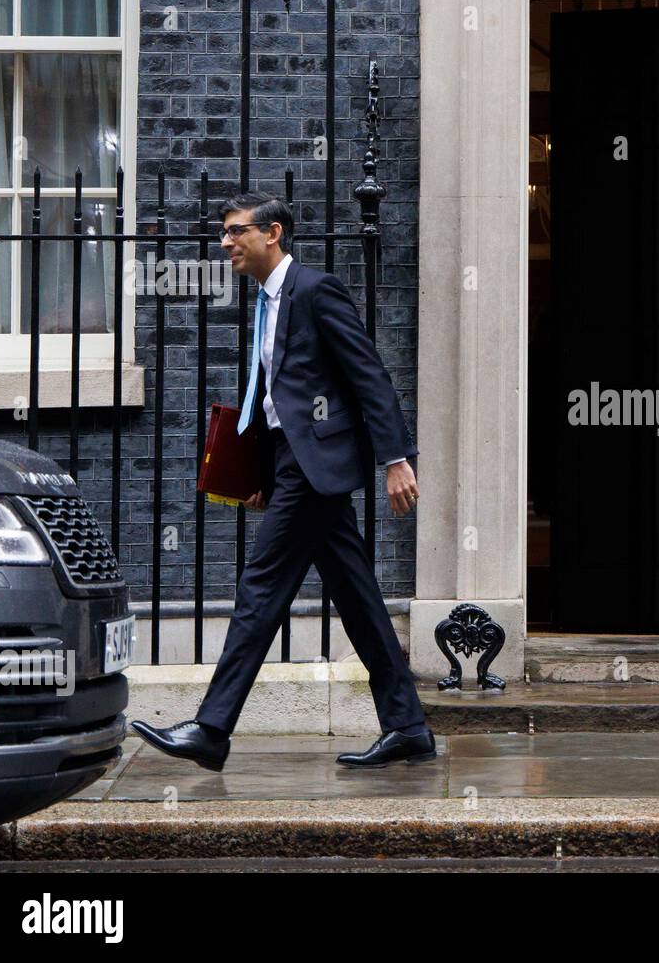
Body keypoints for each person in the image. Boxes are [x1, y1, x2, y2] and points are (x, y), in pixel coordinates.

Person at [131, 192, 434, 771]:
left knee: (260, 588)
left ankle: (212, 728)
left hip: (315, 468)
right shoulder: (267, 302)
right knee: (358, 597)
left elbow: (367, 373)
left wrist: (397, 457)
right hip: (295, 466)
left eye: (234, 231)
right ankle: (408, 726)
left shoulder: (315, 291)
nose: (225, 243)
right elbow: (275, 401)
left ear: (272, 233)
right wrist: (264, 473)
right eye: (223, 233)